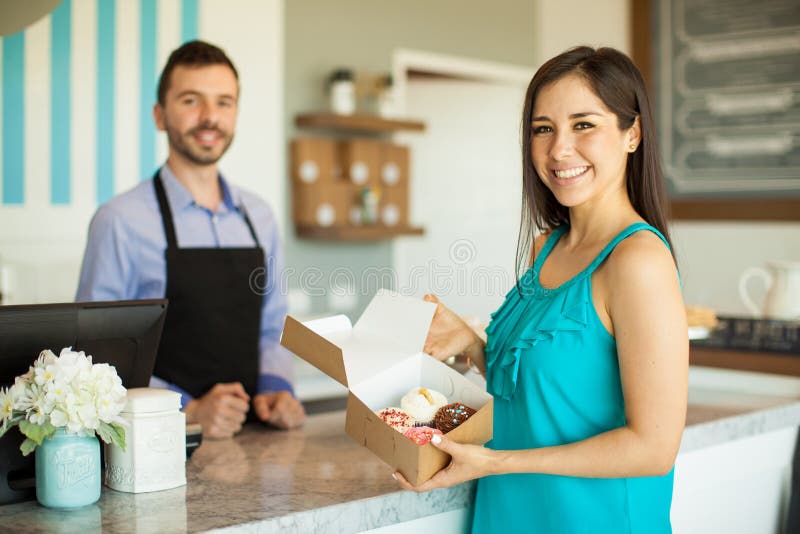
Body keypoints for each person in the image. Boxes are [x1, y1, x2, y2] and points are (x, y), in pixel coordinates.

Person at [394, 46, 688, 533]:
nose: (558, 150)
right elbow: (547, 389)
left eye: (584, 125)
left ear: (631, 133)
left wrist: (493, 463)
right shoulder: (544, 248)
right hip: (510, 514)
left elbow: (653, 448)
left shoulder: (637, 261)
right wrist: (472, 345)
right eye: (543, 128)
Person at [76, 40, 305, 438]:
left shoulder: (260, 216)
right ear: (160, 115)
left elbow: (274, 326)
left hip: (253, 438)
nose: (209, 117)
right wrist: (187, 408)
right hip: (155, 443)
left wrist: (276, 388)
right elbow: (97, 353)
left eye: (224, 102)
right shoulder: (119, 221)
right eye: (190, 101)